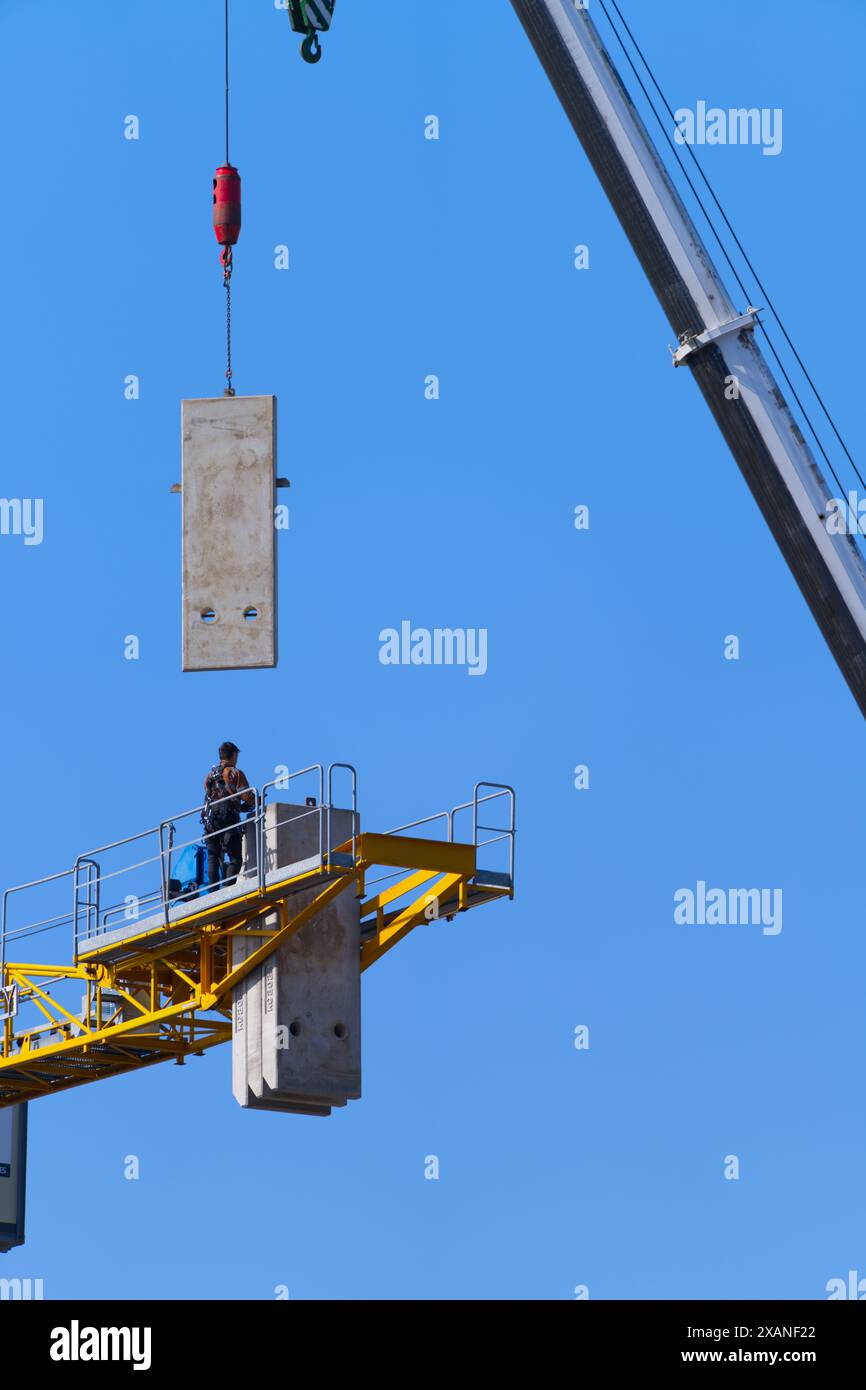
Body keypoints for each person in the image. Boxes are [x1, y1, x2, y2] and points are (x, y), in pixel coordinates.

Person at [202, 742, 255, 889]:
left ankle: (213, 893)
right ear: (233, 755)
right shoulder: (234, 773)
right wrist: (257, 800)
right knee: (236, 859)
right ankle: (227, 890)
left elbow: (208, 794)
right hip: (228, 821)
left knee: (213, 857)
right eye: (237, 755)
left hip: (210, 822)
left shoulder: (210, 776)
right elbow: (247, 795)